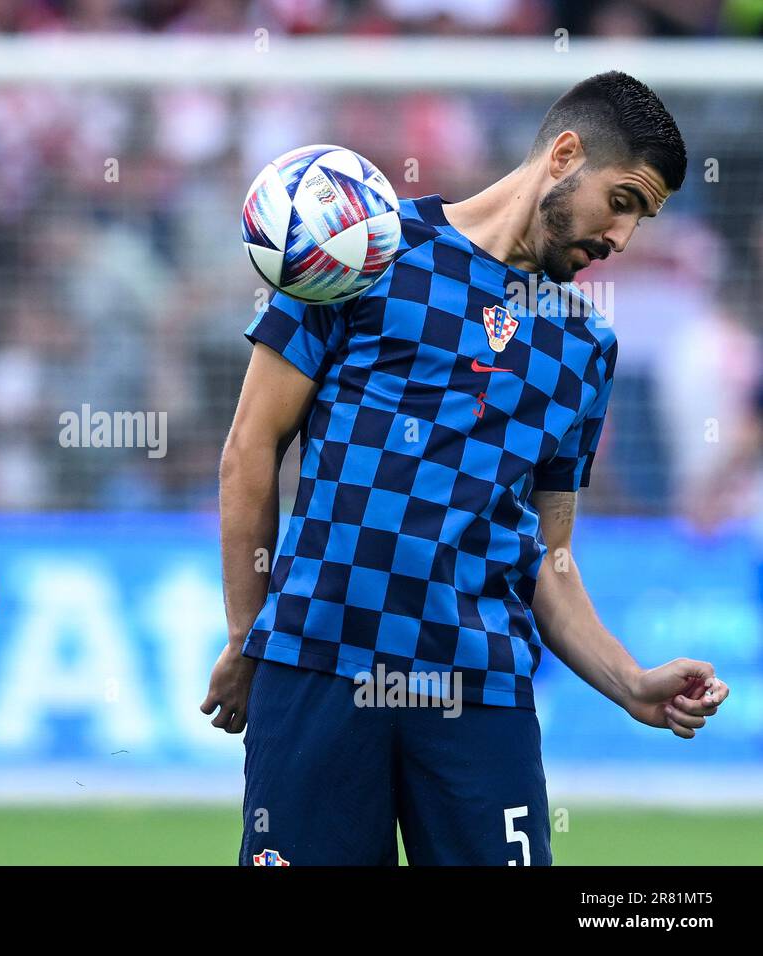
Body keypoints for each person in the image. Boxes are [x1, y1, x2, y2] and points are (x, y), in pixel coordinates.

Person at [202, 72, 731, 866]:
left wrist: (631, 682)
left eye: (643, 218)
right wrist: (250, 636)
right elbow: (250, 449)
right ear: (563, 155)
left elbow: (550, 561)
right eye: (622, 200)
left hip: (477, 690)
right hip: (317, 667)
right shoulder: (365, 247)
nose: (621, 238)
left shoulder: (586, 347)